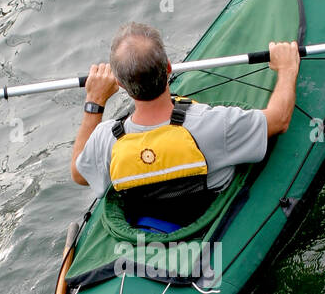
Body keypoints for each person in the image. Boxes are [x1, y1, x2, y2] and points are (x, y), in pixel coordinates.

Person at [71, 22, 299, 230]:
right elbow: (279, 119)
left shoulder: (106, 139)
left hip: (149, 231)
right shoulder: (213, 123)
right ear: (169, 67)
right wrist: (287, 68)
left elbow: (80, 174)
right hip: (203, 222)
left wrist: (95, 101)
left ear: (120, 84)